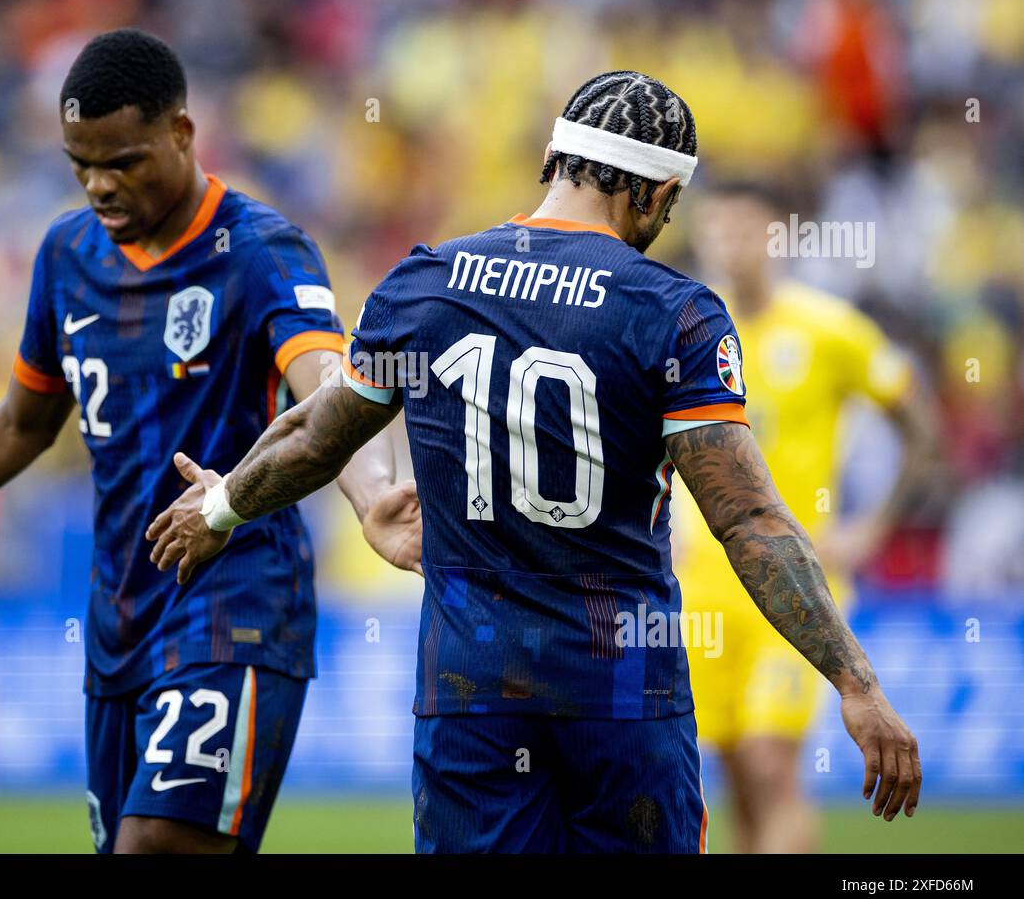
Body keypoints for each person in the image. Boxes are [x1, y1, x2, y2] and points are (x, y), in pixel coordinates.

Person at [145, 71, 921, 853]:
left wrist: (221, 508)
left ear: (553, 157)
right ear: (652, 194)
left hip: (469, 691)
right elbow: (747, 518)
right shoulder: (677, 313)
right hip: (621, 695)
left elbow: (316, 435)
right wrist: (856, 682)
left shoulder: (426, 282)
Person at [0, 28, 419, 854]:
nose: (101, 186)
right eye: (82, 165)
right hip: (119, 623)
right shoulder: (67, 255)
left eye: (125, 161)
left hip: (234, 600)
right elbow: (18, 427)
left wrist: (372, 496)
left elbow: (326, 385)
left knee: (158, 846)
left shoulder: (259, 252)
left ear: (182, 133)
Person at [670, 180, 935, 852]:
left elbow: (921, 425)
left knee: (770, 762)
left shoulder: (828, 329)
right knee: (730, 773)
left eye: (747, 229)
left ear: (778, 237)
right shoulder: (688, 331)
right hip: (704, 582)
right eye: (719, 231)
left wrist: (870, 528)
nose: (732, 244)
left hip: (791, 577)